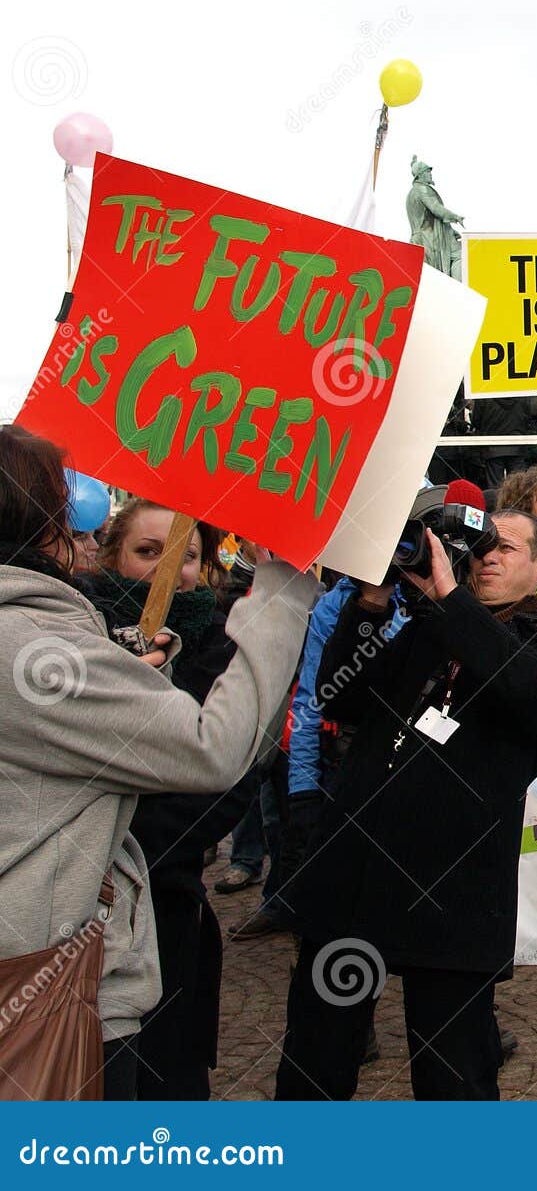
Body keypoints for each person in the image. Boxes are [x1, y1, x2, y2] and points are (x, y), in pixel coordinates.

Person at [0, 426, 315, 1099]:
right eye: (68, 515)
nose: (79, 536)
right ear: (37, 525)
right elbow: (211, 748)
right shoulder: (31, 646)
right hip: (51, 984)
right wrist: (284, 594)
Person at [275, 510, 537, 1100]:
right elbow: (343, 698)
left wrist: (448, 597)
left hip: (454, 895)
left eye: (507, 548)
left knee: (455, 1081)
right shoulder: (426, 629)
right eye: (480, 546)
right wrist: (371, 600)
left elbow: (518, 685)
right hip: (357, 881)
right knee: (314, 1065)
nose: (487, 557)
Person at [77, 502, 267, 1099]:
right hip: (65, 931)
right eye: (148, 551)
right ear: (111, 556)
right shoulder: (74, 637)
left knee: (168, 1092)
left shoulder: (220, 643)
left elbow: (223, 782)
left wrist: (117, 834)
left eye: (185, 556)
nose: (170, 572)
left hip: (167, 910)